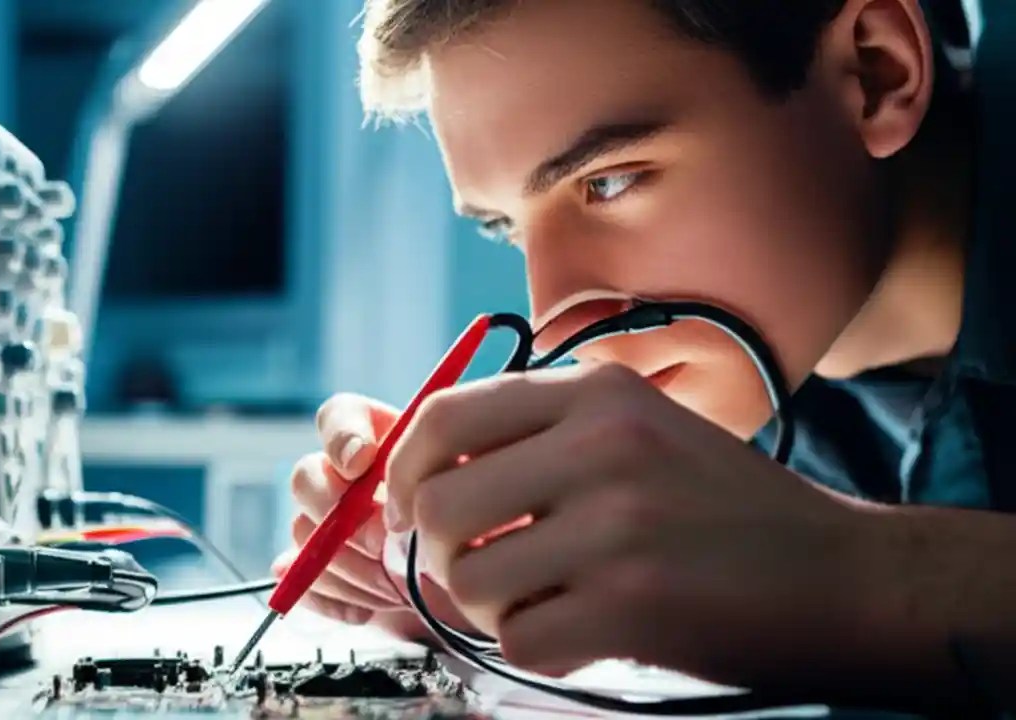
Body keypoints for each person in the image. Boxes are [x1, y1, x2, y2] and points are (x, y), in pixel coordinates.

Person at [275, 0, 1016, 712]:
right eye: (506, 227)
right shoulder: (770, 380)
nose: (555, 323)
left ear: (875, 72)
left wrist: (854, 576)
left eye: (612, 181)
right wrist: (489, 577)